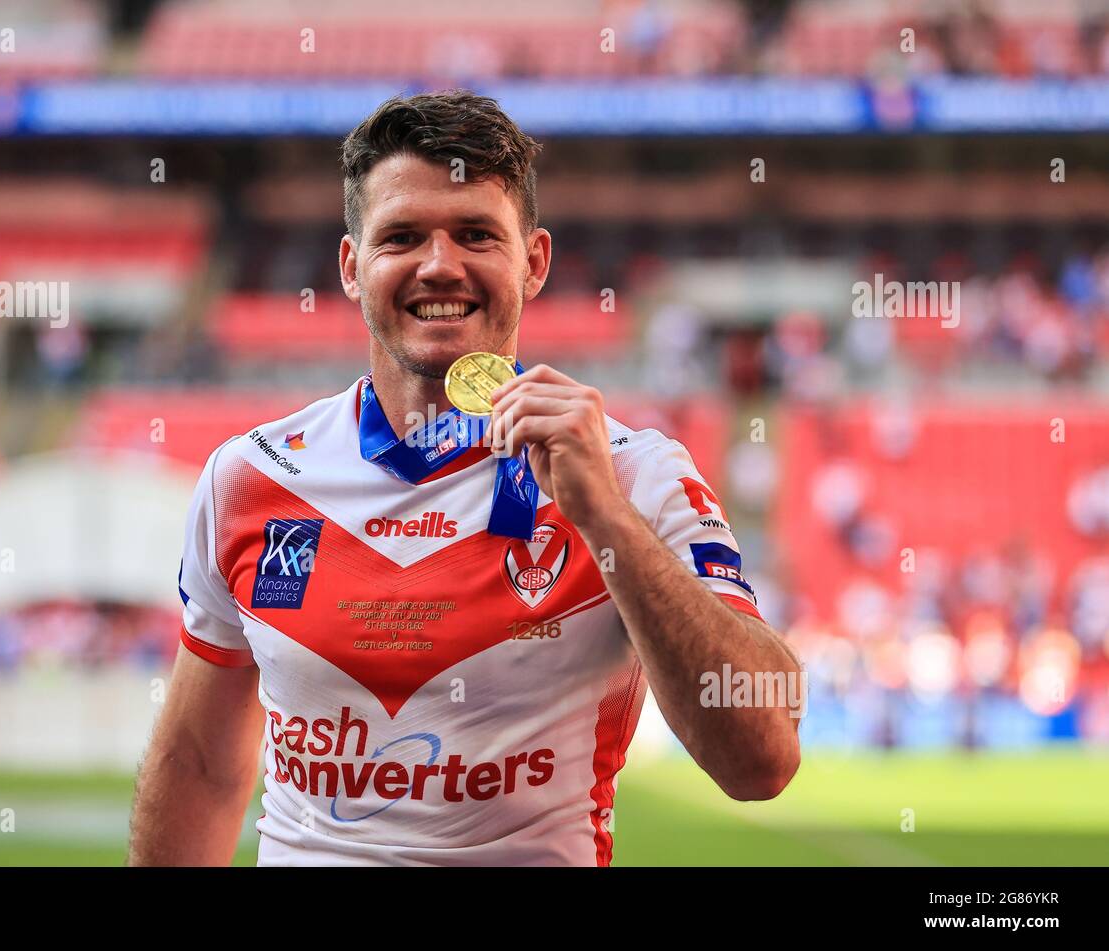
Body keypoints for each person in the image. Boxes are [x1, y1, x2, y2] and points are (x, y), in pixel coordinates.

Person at [128, 90, 801, 867]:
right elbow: (201, 767)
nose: (440, 264)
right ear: (352, 269)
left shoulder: (634, 475)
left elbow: (763, 758)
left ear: (534, 261)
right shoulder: (249, 477)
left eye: (476, 234)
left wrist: (606, 519)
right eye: (402, 236)